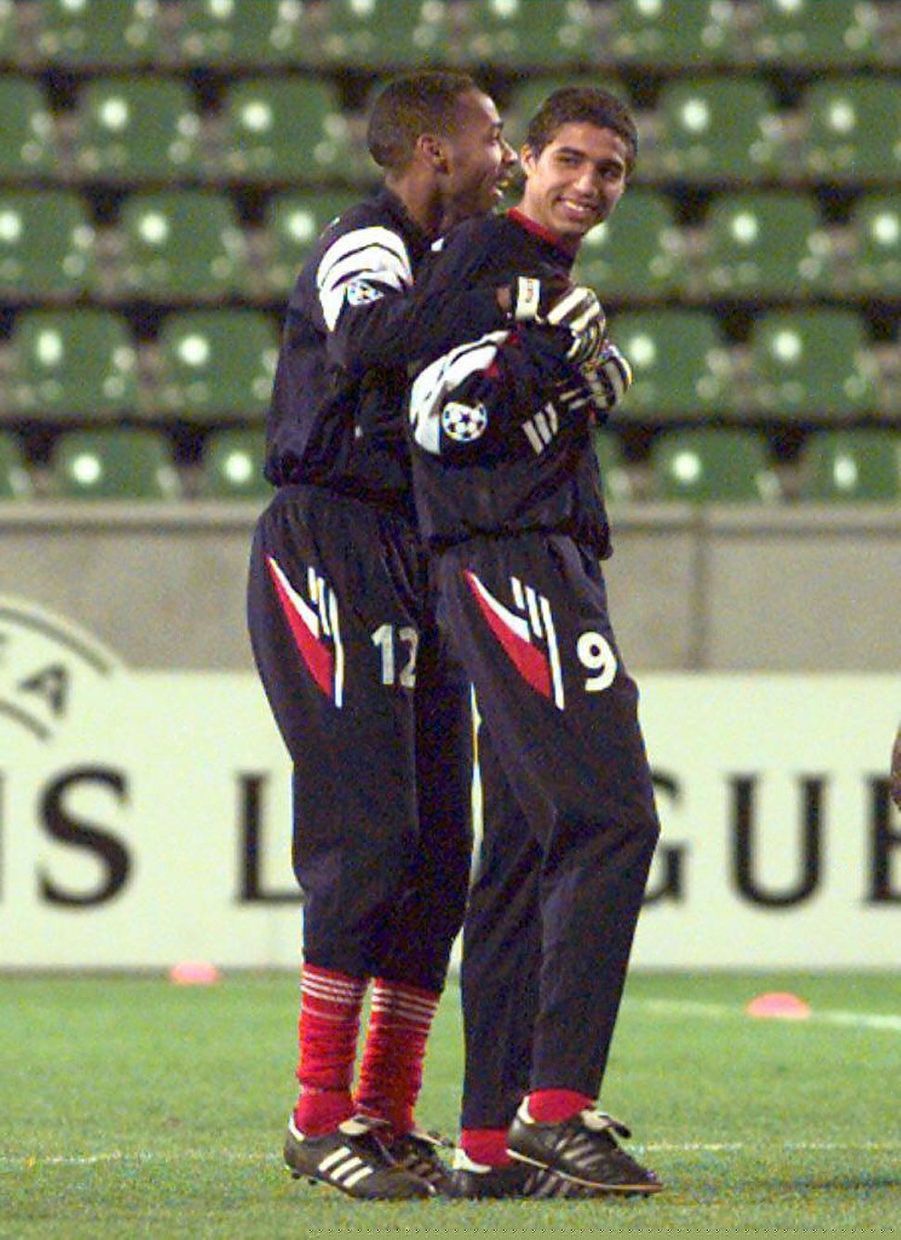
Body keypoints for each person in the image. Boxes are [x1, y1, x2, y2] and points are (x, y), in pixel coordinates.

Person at [246, 71, 529, 1201]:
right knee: (364, 834)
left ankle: (386, 1113)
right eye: (490, 135)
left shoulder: (449, 260)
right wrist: (484, 267)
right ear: (431, 152)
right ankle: (318, 1117)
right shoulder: (365, 244)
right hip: (326, 543)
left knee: (436, 856)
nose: (505, 155)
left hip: (418, 555)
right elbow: (367, 340)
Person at [406, 86, 664, 1199]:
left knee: (513, 859)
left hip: (524, 557)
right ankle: (557, 1108)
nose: (587, 185)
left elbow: (506, 409)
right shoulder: (478, 256)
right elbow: (438, 417)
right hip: (509, 560)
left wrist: (573, 389)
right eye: (570, 160)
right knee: (613, 818)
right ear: (525, 162)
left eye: (609, 171)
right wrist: (535, 364)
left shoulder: (546, 283)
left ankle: (486, 1141)